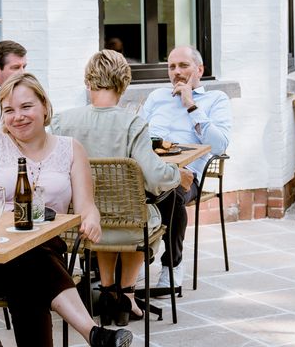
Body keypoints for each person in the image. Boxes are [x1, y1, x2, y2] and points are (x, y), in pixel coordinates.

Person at [0, 72, 133, 347]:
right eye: (9, 110)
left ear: (44, 106)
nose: (18, 117)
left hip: (40, 251)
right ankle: (93, 336)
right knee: (28, 267)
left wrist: (91, 218)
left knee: (28, 265)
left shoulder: (70, 148)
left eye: (26, 107)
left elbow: (86, 204)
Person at [50, 50, 193, 323]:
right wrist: (177, 175)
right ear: (124, 83)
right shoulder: (132, 123)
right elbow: (154, 176)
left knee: (106, 210)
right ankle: (125, 295)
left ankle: (108, 291)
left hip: (80, 226)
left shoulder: (62, 122)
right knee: (138, 213)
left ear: (88, 82)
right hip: (125, 226)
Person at [140, 45, 232, 293]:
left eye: (183, 66)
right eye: (171, 67)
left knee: (171, 194)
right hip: (149, 172)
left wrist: (191, 104)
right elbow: (136, 134)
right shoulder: (156, 97)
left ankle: (172, 267)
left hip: (186, 177)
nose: (177, 72)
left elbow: (219, 145)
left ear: (199, 70)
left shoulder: (216, 100)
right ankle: (127, 261)